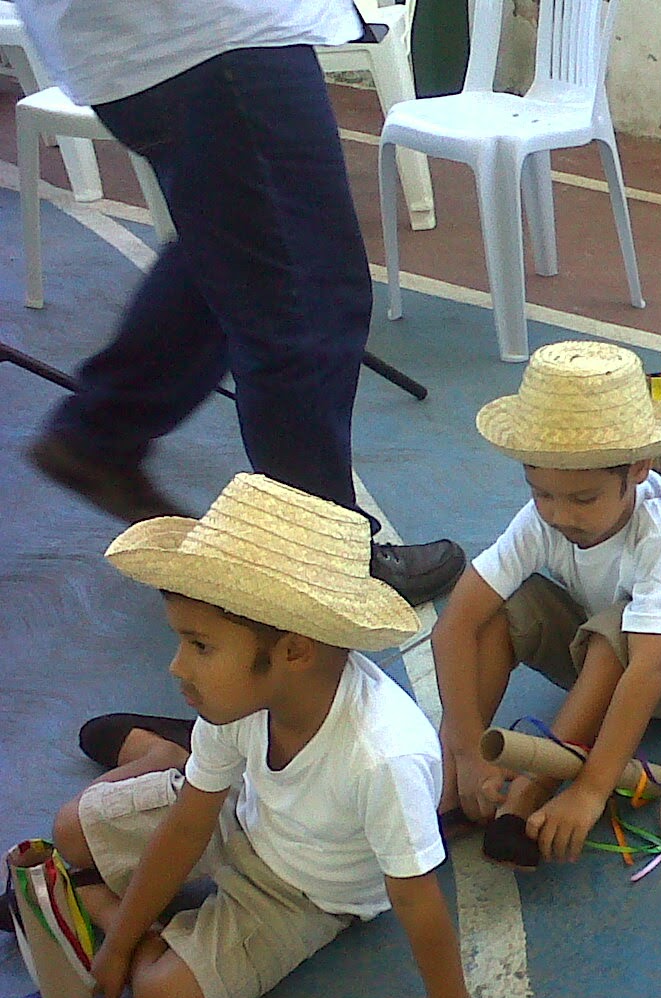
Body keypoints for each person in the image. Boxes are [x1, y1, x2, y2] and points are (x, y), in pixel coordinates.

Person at [49, 473, 523, 998]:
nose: (176, 667)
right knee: (69, 829)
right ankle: (160, 768)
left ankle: (106, 881)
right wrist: (119, 945)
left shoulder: (382, 756)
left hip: (305, 893)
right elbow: (193, 820)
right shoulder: (237, 700)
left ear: (294, 652)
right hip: (240, 816)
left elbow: (417, 899)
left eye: (198, 646)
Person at [14, 0, 464, 606]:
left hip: (160, 45)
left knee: (230, 266)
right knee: (303, 301)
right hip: (207, 37)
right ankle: (318, 562)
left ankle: (100, 433)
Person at [431, 342, 661, 869]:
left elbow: (651, 670)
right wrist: (462, 744)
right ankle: (459, 776)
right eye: (541, 493)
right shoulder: (543, 516)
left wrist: (591, 790)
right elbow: (455, 624)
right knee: (503, 605)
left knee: (620, 621)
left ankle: (534, 788)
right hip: (600, 649)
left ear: (638, 469)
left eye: (582, 499)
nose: (558, 514)